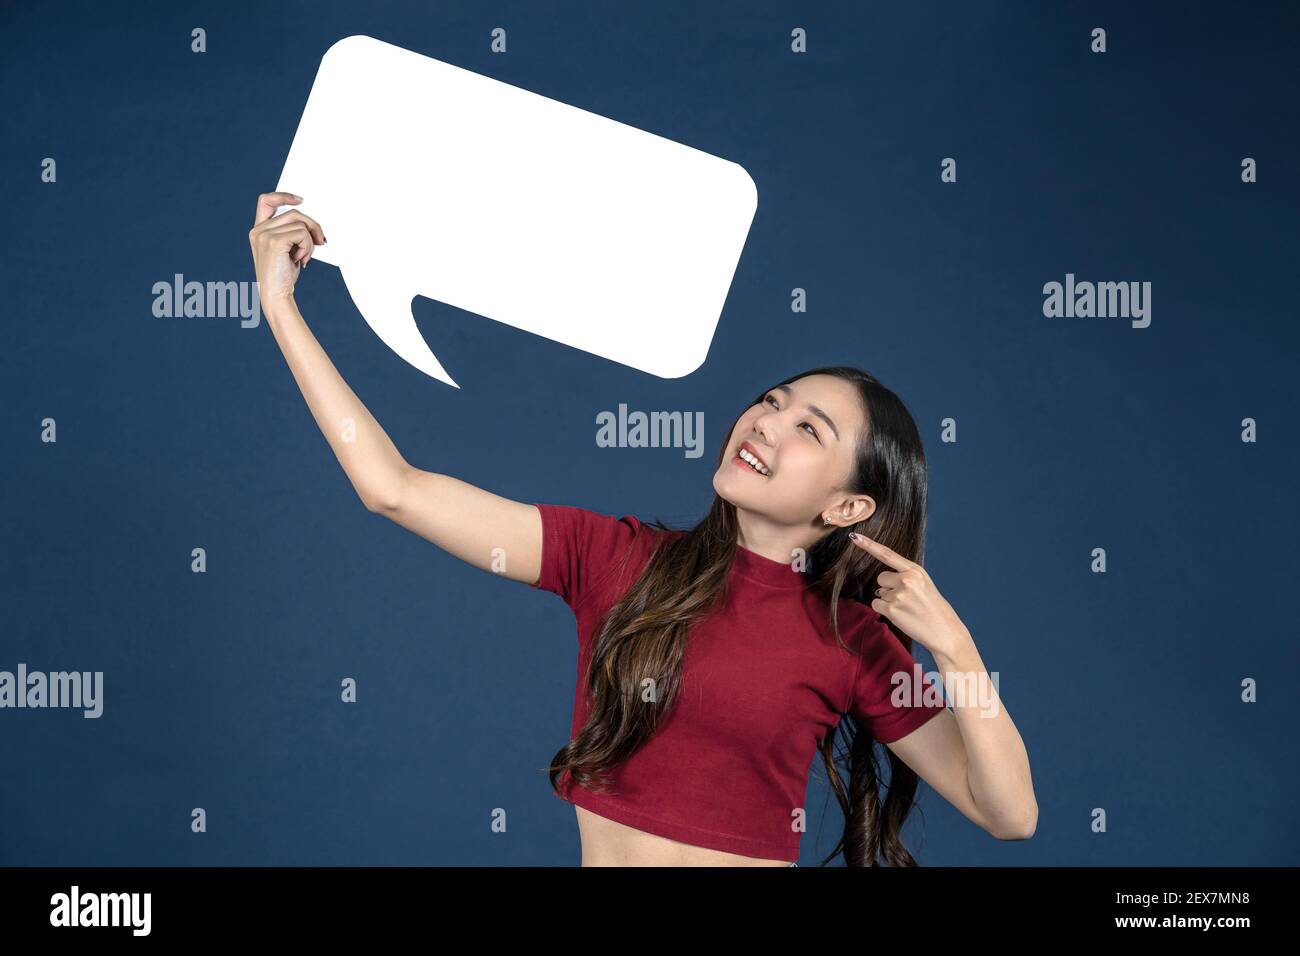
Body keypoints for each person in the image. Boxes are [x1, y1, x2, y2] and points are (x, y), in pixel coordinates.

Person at [248, 191, 1038, 866]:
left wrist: (957, 649)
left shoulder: (853, 640)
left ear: (847, 507)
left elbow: (1009, 815)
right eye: (772, 400)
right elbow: (393, 489)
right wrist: (280, 306)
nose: (765, 422)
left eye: (809, 429)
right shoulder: (614, 558)